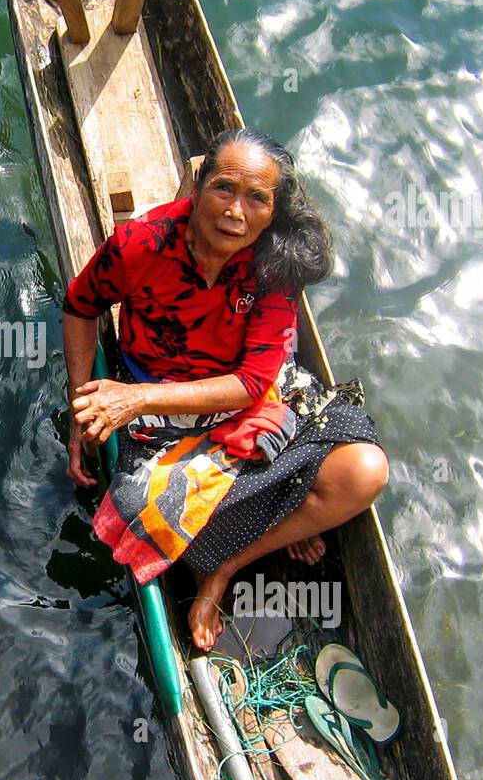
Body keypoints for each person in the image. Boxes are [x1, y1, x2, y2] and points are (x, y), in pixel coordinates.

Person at [62, 128, 389, 651]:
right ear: (197, 184)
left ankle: (226, 569)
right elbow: (80, 306)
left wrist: (133, 400)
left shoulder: (274, 268)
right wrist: (81, 405)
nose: (236, 212)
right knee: (145, 516)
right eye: (223, 189)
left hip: (246, 398)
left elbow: (254, 383)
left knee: (364, 471)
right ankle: (285, 509)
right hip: (163, 404)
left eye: (257, 198)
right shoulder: (139, 245)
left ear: (272, 209)